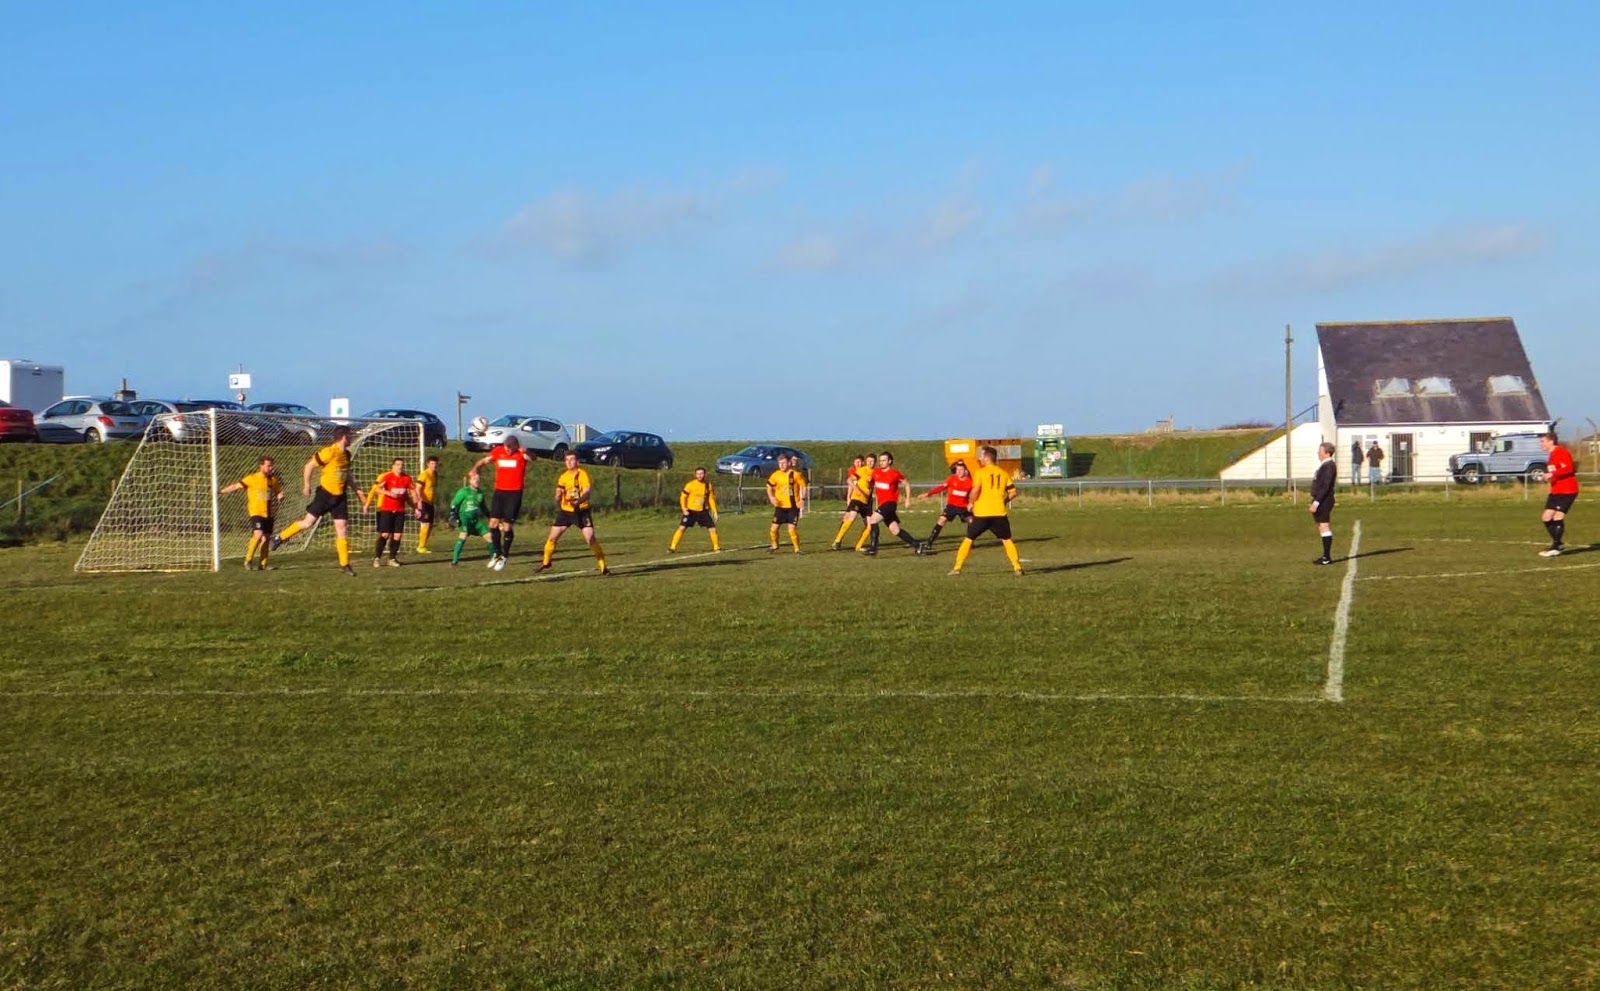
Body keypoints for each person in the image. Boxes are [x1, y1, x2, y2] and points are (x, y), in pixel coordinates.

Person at [269, 425, 356, 575]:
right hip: (325, 494)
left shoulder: (346, 455)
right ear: (344, 437)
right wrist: (307, 485)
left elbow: (347, 475)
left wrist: (359, 492)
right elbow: (309, 466)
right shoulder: (329, 452)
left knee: (342, 528)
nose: (352, 438)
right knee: (308, 523)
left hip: (340, 496)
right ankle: (279, 537)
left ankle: (345, 565)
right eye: (350, 435)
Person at [949, 445, 1022, 576]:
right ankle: (1017, 567)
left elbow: (976, 490)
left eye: (982, 456)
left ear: (987, 458)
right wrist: (1004, 501)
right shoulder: (1004, 473)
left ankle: (957, 568)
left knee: (969, 538)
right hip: (999, 513)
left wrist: (970, 503)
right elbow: (1013, 492)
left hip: (982, 514)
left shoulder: (980, 473)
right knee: (1006, 540)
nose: (980, 458)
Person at [538, 450, 608, 574]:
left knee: (590, 538)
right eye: (567, 460)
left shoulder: (583, 474)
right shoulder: (563, 476)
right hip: (566, 511)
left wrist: (578, 501)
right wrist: (558, 497)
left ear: (577, 461)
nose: (569, 462)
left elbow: (587, 493)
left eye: (572, 460)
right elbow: (558, 494)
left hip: (581, 511)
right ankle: (546, 562)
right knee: (552, 537)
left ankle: (603, 566)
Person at [472, 435, 534, 571]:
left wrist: (527, 451)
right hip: (499, 492)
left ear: (516, 446)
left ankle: (504, 556)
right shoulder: (498, 451)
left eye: (510, 447)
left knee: (506, 527)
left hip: (514, 493)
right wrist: (475, 469)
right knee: (493, 524)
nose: (507, 450)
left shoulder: (521, 454)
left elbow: (533, 458)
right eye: (506, 447)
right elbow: (484, 461)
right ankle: (497, 553)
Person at [219, 456, 284, 570]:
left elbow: (278, 491)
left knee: (266, 538)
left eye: (271, 465)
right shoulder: (252, 478)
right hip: (256, 513)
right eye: (268, 465)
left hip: (269, 514)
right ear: (261, 466)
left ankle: (263, 564)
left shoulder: (273, 480)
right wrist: (220, 491)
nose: (271, 468)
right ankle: (248, 560)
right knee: (258, 535)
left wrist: (280, 495)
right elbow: (236, 486)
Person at [863, 450, 922, 555]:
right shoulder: (875, 472)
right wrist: (868, 483)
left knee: (872, 520)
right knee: (895, 530)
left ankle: (873, 548)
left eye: (884, 460)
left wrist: (908, 500)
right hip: (882, 504)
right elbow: (870, 486)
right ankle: (917, 545)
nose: (881, 462)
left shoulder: (895, 474)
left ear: (890, 461)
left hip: (890, 504)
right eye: (880, 460)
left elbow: (907, 484)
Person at [362, 457, 417, 567]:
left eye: (401, 464)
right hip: (386, 510)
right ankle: (377, 557)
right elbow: (377, 489)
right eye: (397, 464)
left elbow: (412, 493)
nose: (400, 466)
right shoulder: (387, 477)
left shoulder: (407, 478)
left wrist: (417, 505)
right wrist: (388, 493)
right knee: (385, 534)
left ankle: (392, 558)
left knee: (397, 535)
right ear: (393, 466)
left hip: (400, 510)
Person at [917, 460, 973, 552]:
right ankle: (929, 543)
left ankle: (969, 543)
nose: (958, 472)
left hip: (963, 507)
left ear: (965, 471)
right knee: (941, 520)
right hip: (951, 506)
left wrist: (972, 503)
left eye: (961, 470)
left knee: (971, 521)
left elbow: (975, 493)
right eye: (957, 470)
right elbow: (941, 487)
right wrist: (927, 494)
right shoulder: (952, 479)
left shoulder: (970, 482)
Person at [1538, 431, 1579, 556]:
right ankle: (1558, 543)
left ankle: (1556, 546)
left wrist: (1553, 474)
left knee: (1557, 517)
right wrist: (1547, 476)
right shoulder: (1551, 456)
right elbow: (1556, 471)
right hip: (1556, 491)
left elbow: (1569, 468)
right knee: (1545, 517)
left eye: (1543, 441)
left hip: (1567, 490)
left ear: (1551, 441)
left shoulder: (1561, 452)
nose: (1541, 444)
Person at [448, 471, 495, 567]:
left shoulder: (480, 493)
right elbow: (454, 503)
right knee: (463, 535)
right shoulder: (464, 491)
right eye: (474, 479)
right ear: (470, 481)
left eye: (478, 479)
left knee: (489, 536)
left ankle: (493, 560)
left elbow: (484, 508)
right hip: (464, 519)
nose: (477, 481)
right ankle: (454, 562)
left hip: (475, 520)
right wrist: (452, 515)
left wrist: (491, 517)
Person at [670, 466, 721, 552]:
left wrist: (715, 512)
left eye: (701, 473)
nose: (700, 475)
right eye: (698, 474)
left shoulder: (708, 485)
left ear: (704, 474)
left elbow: (711, 499)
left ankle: (716, 547)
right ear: (695, 475)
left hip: (703, 511)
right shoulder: (690, 485)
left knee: (712, 529)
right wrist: (684, 508)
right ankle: (672, 547)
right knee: (681, 528)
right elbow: (683, 497)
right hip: (691, 511)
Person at [831, 454, 875, 551]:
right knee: (851, 518)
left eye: (872, 461)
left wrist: (870, 483)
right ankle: (837, 541)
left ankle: (858, 546)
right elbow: (849, 480)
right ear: (866, 462)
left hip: (867, 502)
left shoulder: (875, 473)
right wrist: (857, 490)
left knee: (869, 526)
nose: (870, 463)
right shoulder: (861, 470)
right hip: (857, 499)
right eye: (869, 461)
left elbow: (872, 487)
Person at [766, 453, 806, 553]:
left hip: (793, 507)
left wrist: (802, 499)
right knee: (773, 529)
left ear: (789, 463)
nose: (782, 465)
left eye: (784, 463)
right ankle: (775, 545)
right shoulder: (776, 475)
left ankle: (797, 549)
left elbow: (803, 486)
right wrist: (771, 497)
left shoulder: (796, 474)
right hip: (780, 507)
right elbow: (769, 486)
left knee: (791, 529)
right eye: (780, 463)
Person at [1309, 442, 1338, 565]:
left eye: (1320, 451)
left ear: (1327, 452)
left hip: (1324, 500)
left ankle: (1326, 557)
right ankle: (1325, 556)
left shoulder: (1329, 466)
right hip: (1321, 499)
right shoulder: (1325, 465)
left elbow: (1325, 486)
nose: (1318, 453)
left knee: (1324, 526)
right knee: (1321, 526)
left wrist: (1316, 502)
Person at [415, 454, 440, 553]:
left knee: (430, 525)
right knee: (425, 523)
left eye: (435, 463)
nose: (434, 465)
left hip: (430, 503)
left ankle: (424, 545)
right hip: (424, 502)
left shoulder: (435, 474)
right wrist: (419, 501)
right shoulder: (424, 474)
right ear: (428, 464)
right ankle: (420, 546)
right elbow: (417, 488)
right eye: (432, 463)